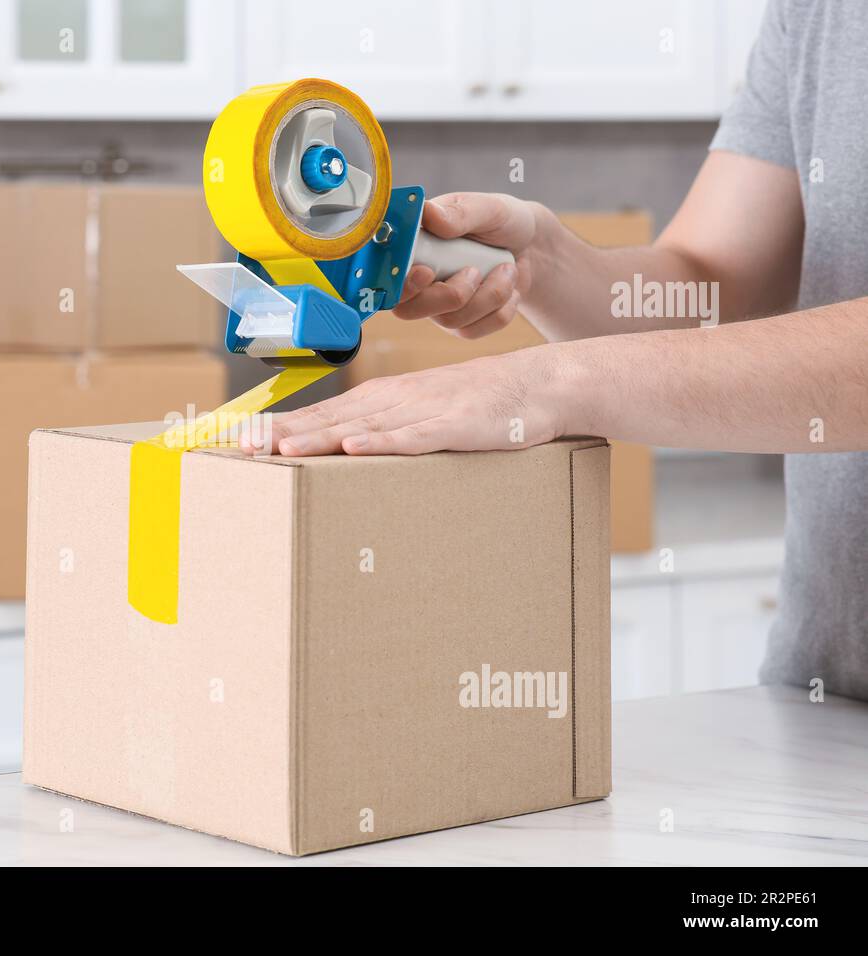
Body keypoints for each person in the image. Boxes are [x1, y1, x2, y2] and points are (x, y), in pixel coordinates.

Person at [244, 1, 868, 700]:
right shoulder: (815, 11)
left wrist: (547, 385)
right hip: (826, 686)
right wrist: (544, 260)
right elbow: (704, 286)